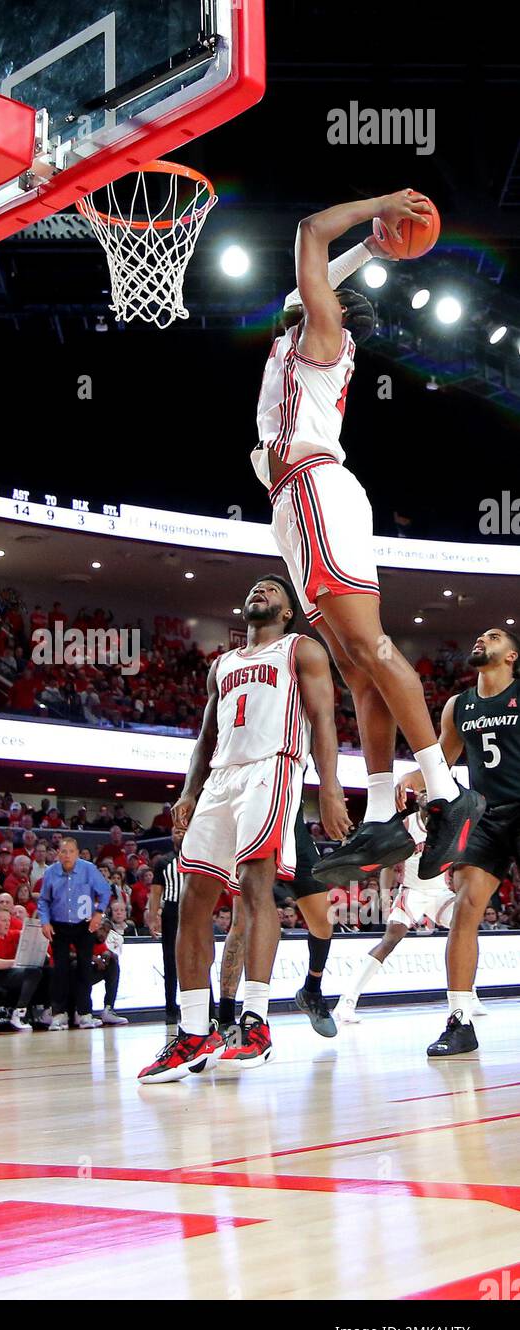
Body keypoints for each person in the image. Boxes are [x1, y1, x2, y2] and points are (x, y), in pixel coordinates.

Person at [252, 190, 483, 884]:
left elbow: (306, 228)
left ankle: (445, 793)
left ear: (335, 312)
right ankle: (383, 812)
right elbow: (308, 280)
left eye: (322, 294)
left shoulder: (323, 337)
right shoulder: (298, 340)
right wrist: (372, 250)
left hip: (318, 490)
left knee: (370, 647)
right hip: (296, 503)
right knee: (355, 666)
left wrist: (379, 206)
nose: (307, 295)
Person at [138, 576, 350, 1083]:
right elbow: (205, 735)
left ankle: (255, 1023)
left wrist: (330, 788)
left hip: (272, 767)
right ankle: (193, 1032)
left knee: (255, 888)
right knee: (192, 898)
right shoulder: (223, 665)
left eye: (273, 591)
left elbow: (323, 719)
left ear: (287, 613)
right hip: (220, 777)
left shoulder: (302, 649)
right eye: (254, 588)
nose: (260, 592)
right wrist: (189, 791)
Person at [395, 628, 520, 1057]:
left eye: (495, 636)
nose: (483, 639)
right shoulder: (458, 706)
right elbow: (443, 760)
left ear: (512, 656)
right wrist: (414, 777)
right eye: (481, 636)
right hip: (486, 813)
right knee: (466, 906)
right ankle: (460, 1019)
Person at [334, 810, 487, 1025]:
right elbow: (388, 864)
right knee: (389, 941)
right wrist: (385, 896)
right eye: (422, 791)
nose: (426, 794)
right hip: (412, 892)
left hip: (440, 893)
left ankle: (470, 995)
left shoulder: (449, 822)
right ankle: (347, 1002)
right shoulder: (406, 824)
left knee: (466, 928)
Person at [217, 807, 339, 1039]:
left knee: (323, 920)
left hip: (292, 827)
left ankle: (311, 990)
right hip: (252, 822)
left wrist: (329, 787)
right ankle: (225, 1016)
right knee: (241, 921)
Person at [38, 836, 111, 1030]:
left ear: (77, 854)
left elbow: (105, 891)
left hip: (84, 924)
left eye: (71, 851)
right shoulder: (51, 872)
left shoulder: (89, 869)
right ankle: (58, 1014)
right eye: (63, 851)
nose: (67, 855)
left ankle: (84, 1013)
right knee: (59, 970)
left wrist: (99, 913)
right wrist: (44, 922)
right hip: (59, 925)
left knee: (84, 968)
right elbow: (43, 900)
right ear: (58, 854)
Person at [0, 906, 45, 1032]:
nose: (7, 924)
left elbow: (27, 933)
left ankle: (47, 1011)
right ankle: (19, 1014)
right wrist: (17, 962)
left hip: (12, 972)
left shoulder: (12, 935)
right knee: (32, 972)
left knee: (46, 971)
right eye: (3, 921)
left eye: (8, 921)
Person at [147, 828, 184, 1024]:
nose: (180, 835)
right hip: (171, 910)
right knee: (170, 962)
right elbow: (155, 893)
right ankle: (170, 1009)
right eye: (176, 832)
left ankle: (209, 1009)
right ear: (171, 837)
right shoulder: (163, 862)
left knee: (200, 960)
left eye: (183, 831)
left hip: (194, 911)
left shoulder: (198, 858)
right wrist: (153, 918)